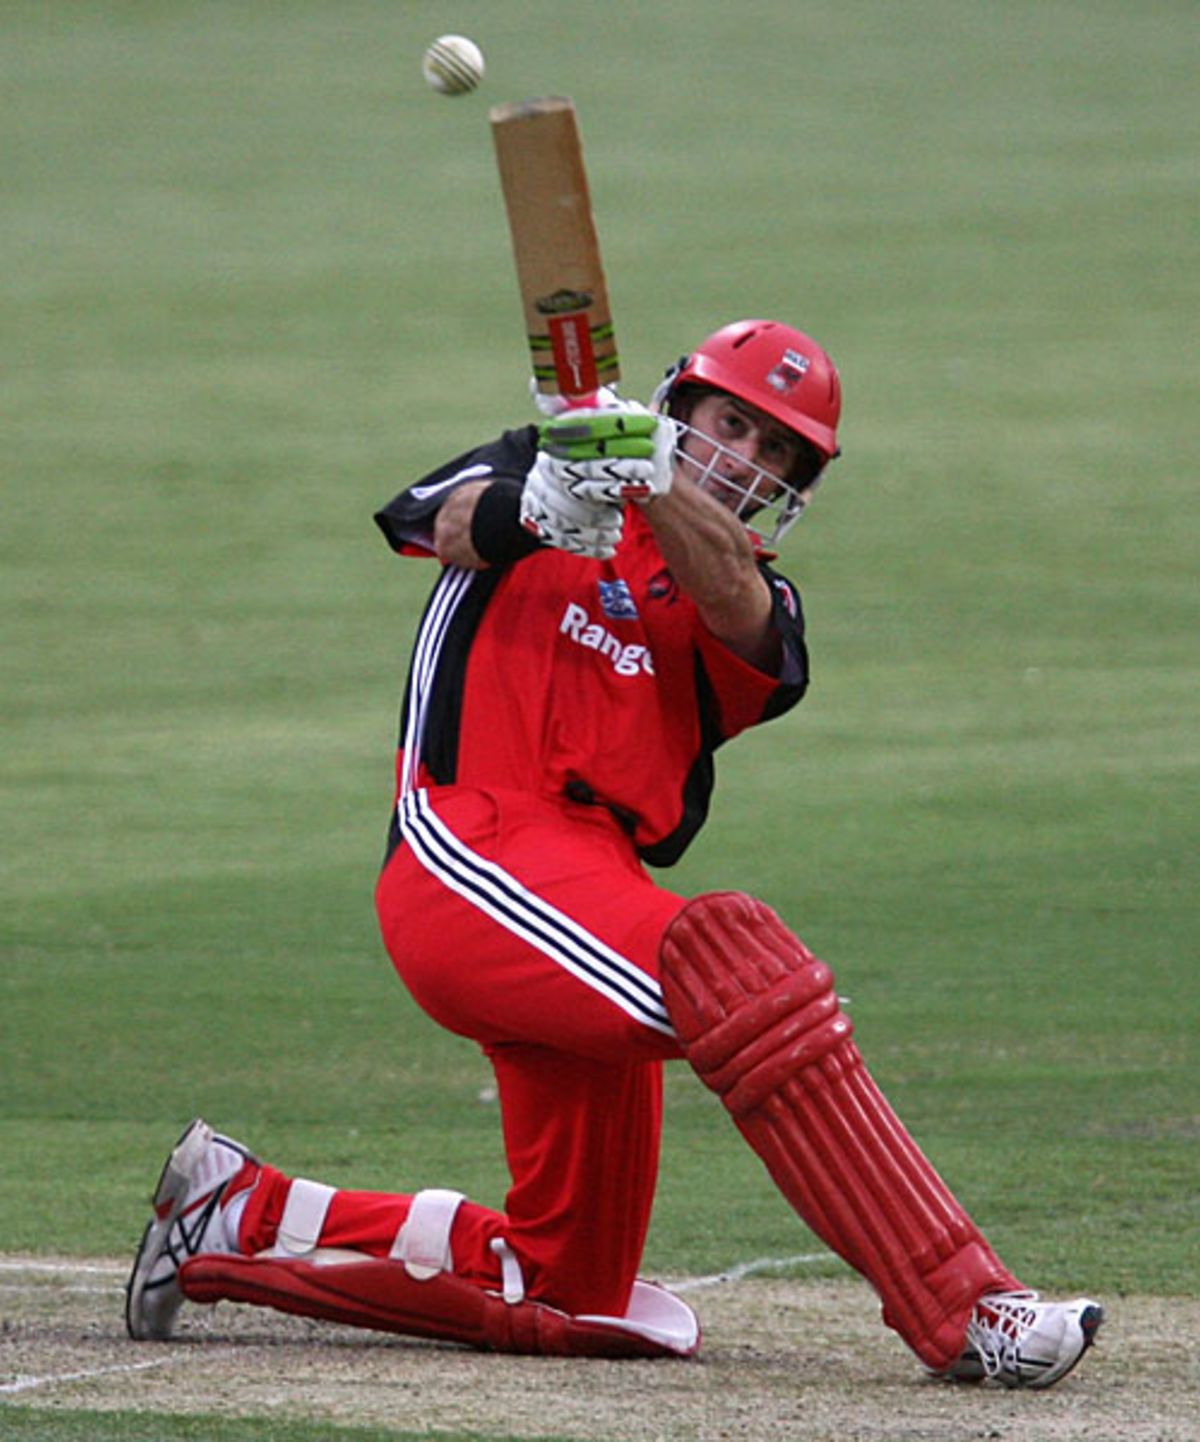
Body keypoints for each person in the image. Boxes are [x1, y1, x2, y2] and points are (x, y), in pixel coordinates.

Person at [126, 319, 1102, 1385]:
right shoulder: (531, 459)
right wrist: (543, 500)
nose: (748, 460)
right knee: (736, 963)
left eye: (778, 454)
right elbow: (434, 520)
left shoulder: (753, 590)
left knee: (572, 1290)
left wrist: (651, 484)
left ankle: (237, 1215)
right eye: (734, 424)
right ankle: (972, 1308)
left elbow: (735, 606)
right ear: (682, 405)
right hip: (470, 848)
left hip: (593, 885)